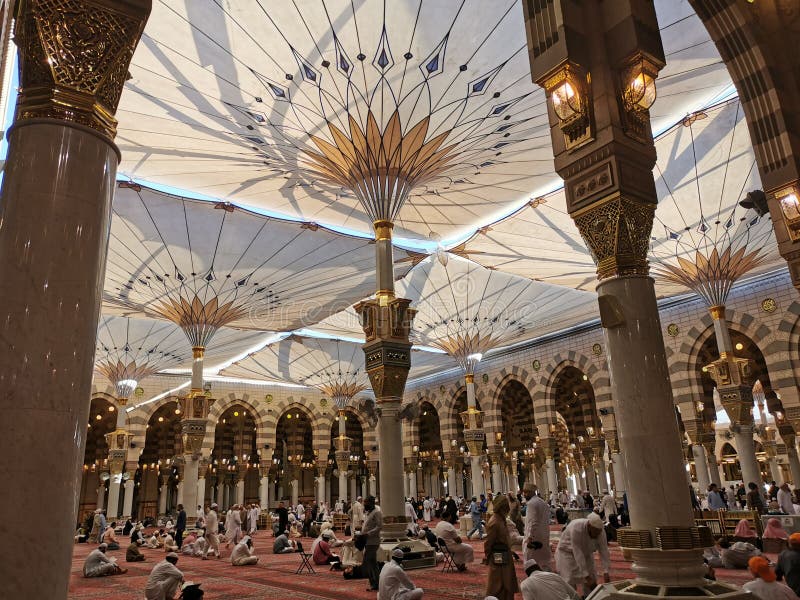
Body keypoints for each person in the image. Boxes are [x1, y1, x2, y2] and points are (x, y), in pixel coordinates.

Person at [555, 512, 610, 597]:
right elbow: (578, 552)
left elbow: (604, 550)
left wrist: (606, 571)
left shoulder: (600, 531)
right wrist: (586, 577)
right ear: (589, 526)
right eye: (595, 532)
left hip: (586, 553)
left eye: (598, 533)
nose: (596, 536)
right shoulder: (576, 528)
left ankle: (588, 597)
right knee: (569, 579)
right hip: (567, 553)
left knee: (592, 578)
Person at [484, 494, 519, 600]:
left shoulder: (501, 518)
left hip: (505, 555)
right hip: (498, 556)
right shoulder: (494, 522)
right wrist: (488, 556)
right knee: (498, 583)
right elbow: (488, 543)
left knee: (507, 581)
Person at [522, 486, 552, 570]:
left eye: (526, 492)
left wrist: (530, 537)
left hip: (533, 538)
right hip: (543, 535)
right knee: (543, 560)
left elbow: (532, 522)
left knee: (531, 562)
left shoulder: (531, 503)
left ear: (532, 492)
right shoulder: (542, 502)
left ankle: (535, 581)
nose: (524, 495)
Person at [361, 495, 383, 592]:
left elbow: (379, 526)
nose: (364, 505)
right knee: (373, 563)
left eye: (366, 503)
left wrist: (368, 534)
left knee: (368, 562)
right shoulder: (368, 512)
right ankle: (377, 583)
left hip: (373, 541)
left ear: (371, 503)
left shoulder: (377, 512)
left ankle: (374, 583)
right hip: (367, 541)